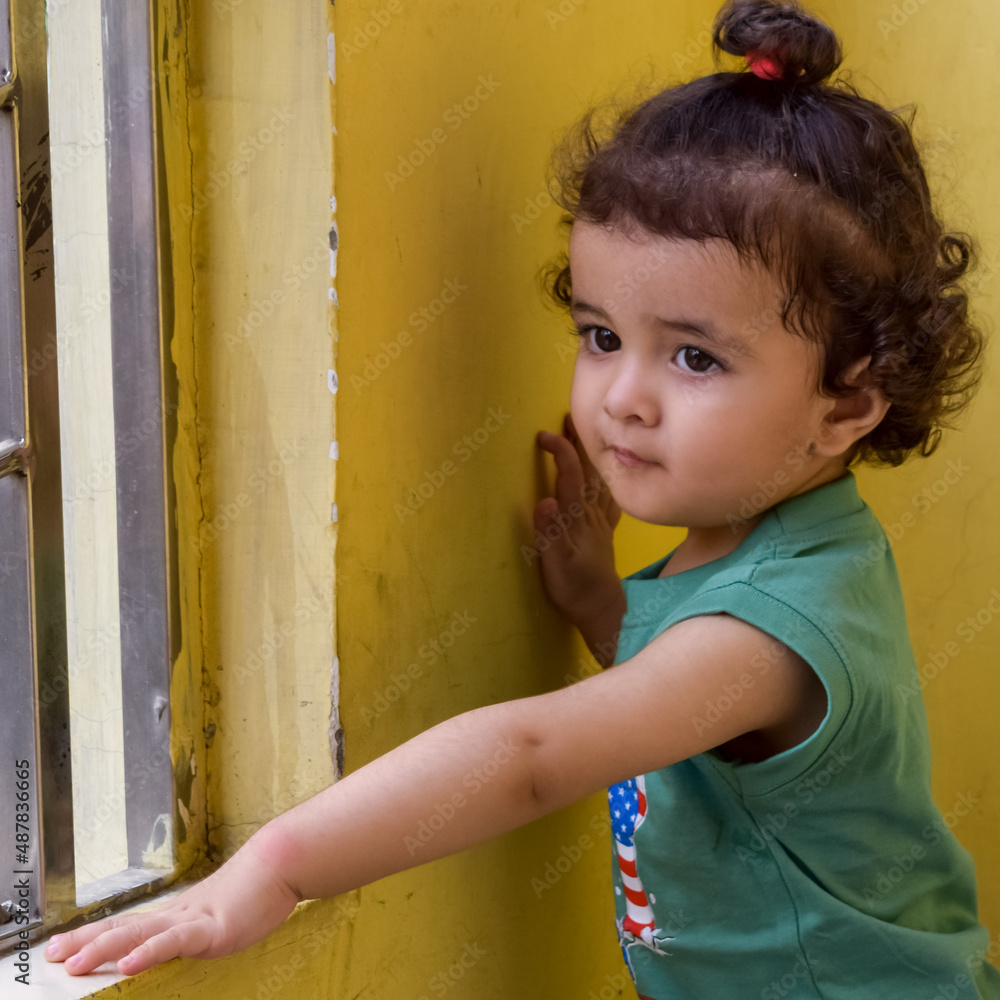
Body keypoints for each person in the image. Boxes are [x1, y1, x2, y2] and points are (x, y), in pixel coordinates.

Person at [46, 0, 999, 995]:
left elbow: (532, 753)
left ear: (844, 400)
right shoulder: (778, 549)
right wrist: (604, 609)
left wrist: (274, 868)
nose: (622, 397)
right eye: (599, 336)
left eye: (694, 355)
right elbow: (680, 705)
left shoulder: (773, 625)